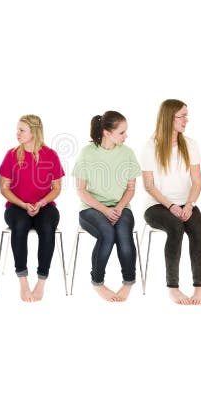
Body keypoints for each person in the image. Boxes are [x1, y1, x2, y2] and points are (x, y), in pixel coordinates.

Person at [141, 99, 201, 305]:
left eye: (186, 115)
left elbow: (197, 181)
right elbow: (149, 185)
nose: (186, 120)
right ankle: (173, 288)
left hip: (186, 203)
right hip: (157, 206)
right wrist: (171, 206)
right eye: (182, 116)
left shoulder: (191, 145)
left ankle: (198, 288)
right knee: (175, 227)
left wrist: (189, 205)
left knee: (196, 227)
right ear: (169, 118)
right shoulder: (150, 146)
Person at [73, 111, 141, 302]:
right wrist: (105, 210)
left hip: (121, 207)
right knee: (107, 234)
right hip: (91, 209)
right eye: (122, 132)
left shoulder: (128, 153)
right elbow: (81, 190)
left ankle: (128, 282)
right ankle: (98, 282)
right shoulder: (87, 153)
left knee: (123, 234)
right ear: (107, 133)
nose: (126, 136)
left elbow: (131, 188)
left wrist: (119, 207)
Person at [0, 114, 64, 302]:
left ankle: (41, 282)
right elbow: (4, 188)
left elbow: (56, 188)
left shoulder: (50, 155)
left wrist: (41, 203)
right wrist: (23, 204)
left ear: (33, 133)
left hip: (45, 205)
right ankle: (23, 281)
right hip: (17, 205)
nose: (17, 133)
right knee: (20, 225)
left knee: (46, 227)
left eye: (21, 130)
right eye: (17, 129)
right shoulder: (11, 155)